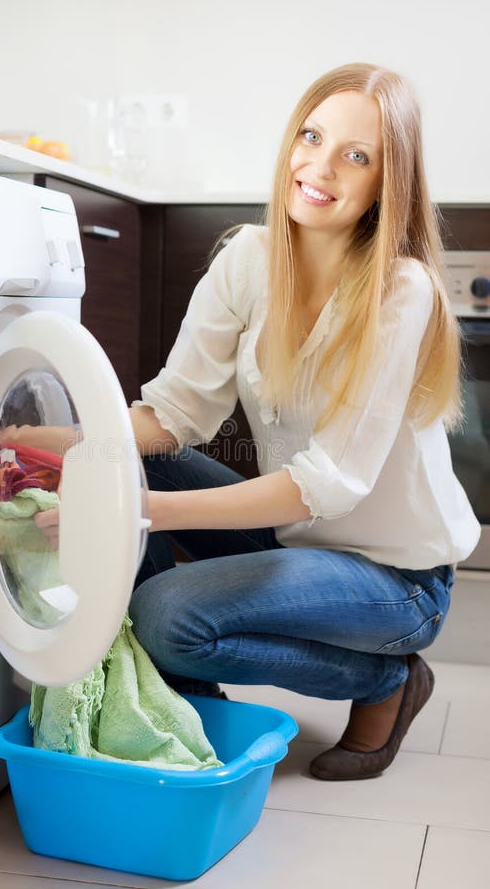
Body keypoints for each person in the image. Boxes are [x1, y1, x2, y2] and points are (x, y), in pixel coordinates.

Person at [122, 62, 481, 781]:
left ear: (388, 183)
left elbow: (328, 484)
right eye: (311, 137)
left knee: (165, 615)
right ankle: (189, 703)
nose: (320, 167)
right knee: (125, 458)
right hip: (301, 537)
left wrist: (144, 511)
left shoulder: (401, 288)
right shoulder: (247, 258)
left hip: (398, 579)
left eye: (357, 155)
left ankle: (387, 679)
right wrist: (62, 442)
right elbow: (174, 414)